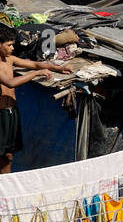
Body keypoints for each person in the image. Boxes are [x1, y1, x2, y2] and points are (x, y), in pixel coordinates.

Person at [0, 26, 72, 173]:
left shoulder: (9, 59)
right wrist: (36, 74)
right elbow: (10, 82)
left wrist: (58, 68)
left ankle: (6, 191)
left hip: (12, 113)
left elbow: (34, 64)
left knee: (9, 156)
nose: (12, 48)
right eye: (9, 45)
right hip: (0, 115)